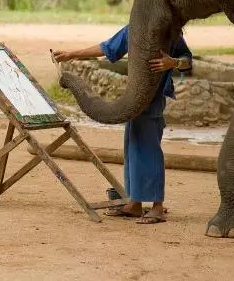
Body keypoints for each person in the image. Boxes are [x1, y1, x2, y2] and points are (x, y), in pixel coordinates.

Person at [53, 25, 192, 224]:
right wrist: (71, 54)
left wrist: (173, 62)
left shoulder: (170, 32)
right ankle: (134, 203)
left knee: (150, 149)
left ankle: (157, 207)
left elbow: (187, 62)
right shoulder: (135, 27)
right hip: (134, 97)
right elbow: (108, 47)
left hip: (153, 98)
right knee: (133, 147)